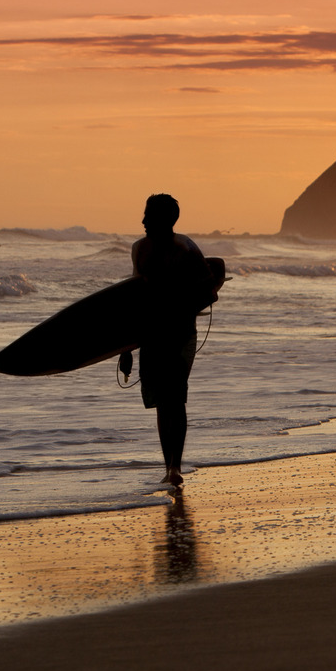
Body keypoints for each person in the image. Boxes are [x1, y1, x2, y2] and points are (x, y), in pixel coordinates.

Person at [123, 193, 217, 492]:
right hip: (150, 336)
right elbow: (133, 299)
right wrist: (124, 348)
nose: (143, 221)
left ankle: (175, 466)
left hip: (181, 336)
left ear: (165, 219)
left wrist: (180, 307)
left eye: (148, 216)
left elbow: (209, 291)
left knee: (174, 398)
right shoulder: (139, 249)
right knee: (163, 403)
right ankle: (169, 467)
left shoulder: (185, 248)